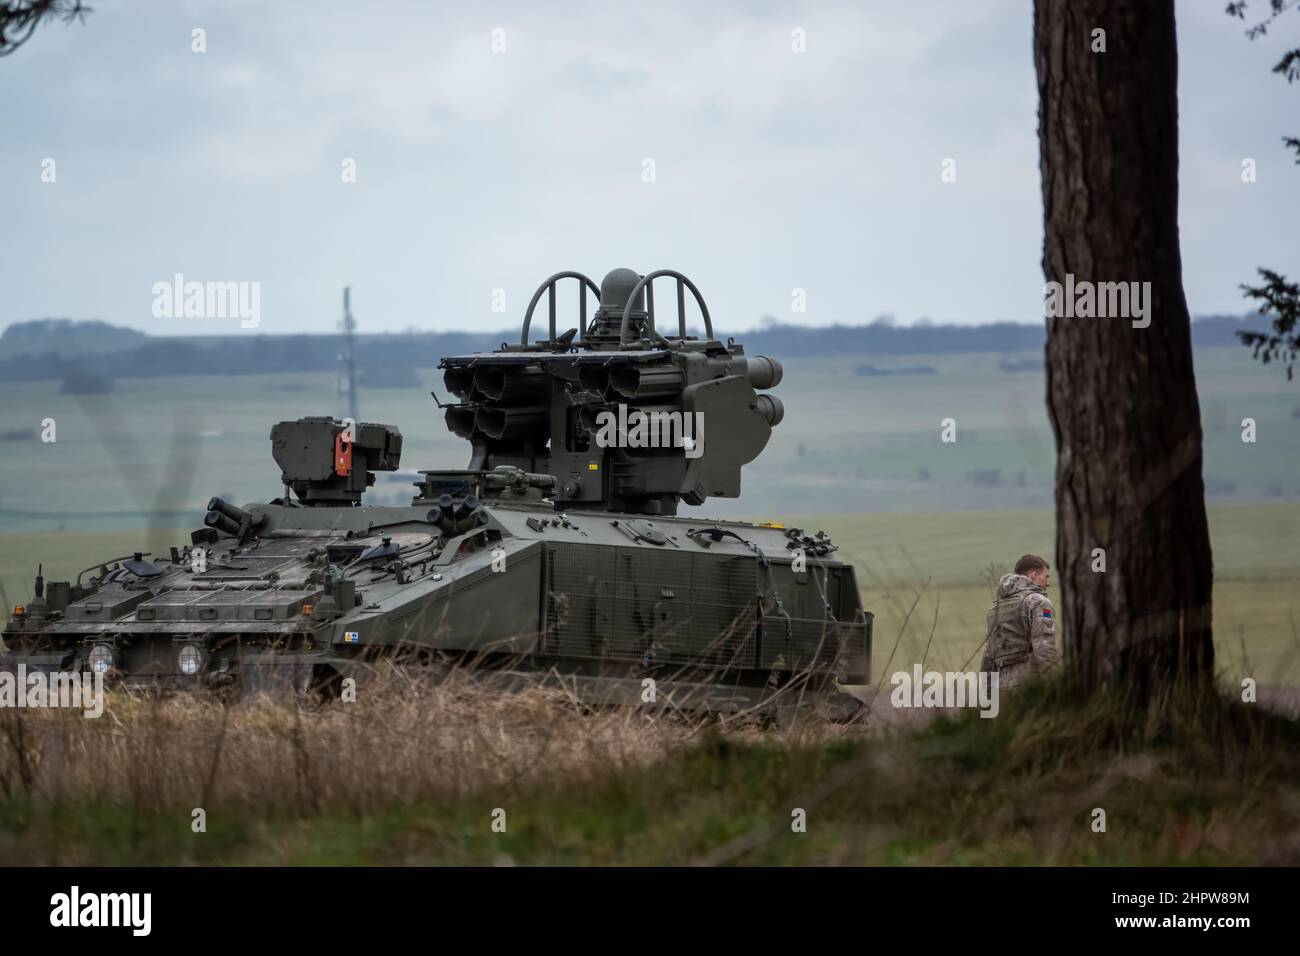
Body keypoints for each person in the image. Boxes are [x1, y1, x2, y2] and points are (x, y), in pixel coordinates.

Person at [981, 554, 1059, 689]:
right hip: (1029, 685)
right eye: (1046, 576)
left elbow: (988, 656)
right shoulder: (1039, 602)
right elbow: (1044, 646)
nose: (1048, 583)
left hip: (1001, 687)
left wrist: (987, 695)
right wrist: (1056, 684)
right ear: (1034, 575)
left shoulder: (995, 609)